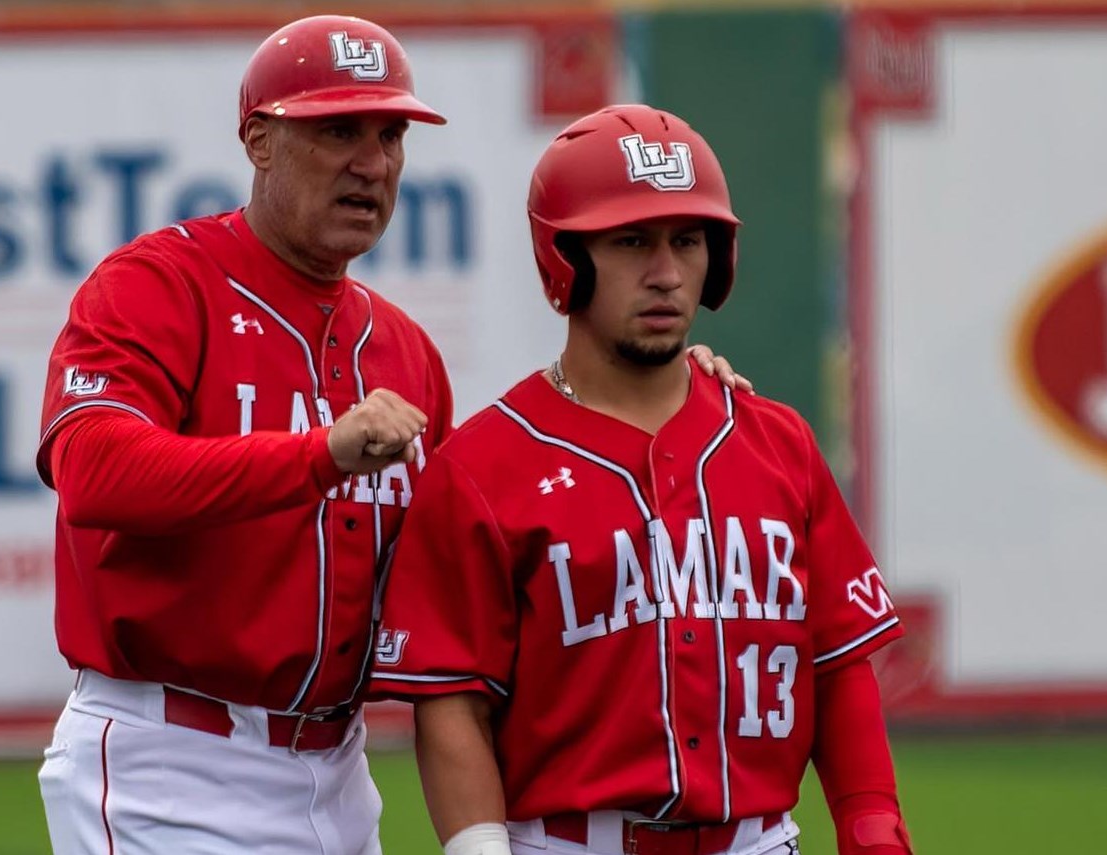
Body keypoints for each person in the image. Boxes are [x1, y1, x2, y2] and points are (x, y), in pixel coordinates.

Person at [33, 18, 746, 855]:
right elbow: (95, 473)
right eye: (338, 131)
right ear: (259, 141)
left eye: (389, 134)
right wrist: (320, 453)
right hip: (169, 759)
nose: (371, 163)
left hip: (338, 775)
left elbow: (477, 552)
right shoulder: (156, 285)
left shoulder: (403, 351)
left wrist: (658, 390)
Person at [369, 104, 914, 855]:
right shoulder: (481, 467)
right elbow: (454, 704)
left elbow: (837, 661)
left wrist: (871, 827)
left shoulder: (777, 441)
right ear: (566, 258)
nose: (664, 273)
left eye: (686, 241)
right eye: (631, 242)